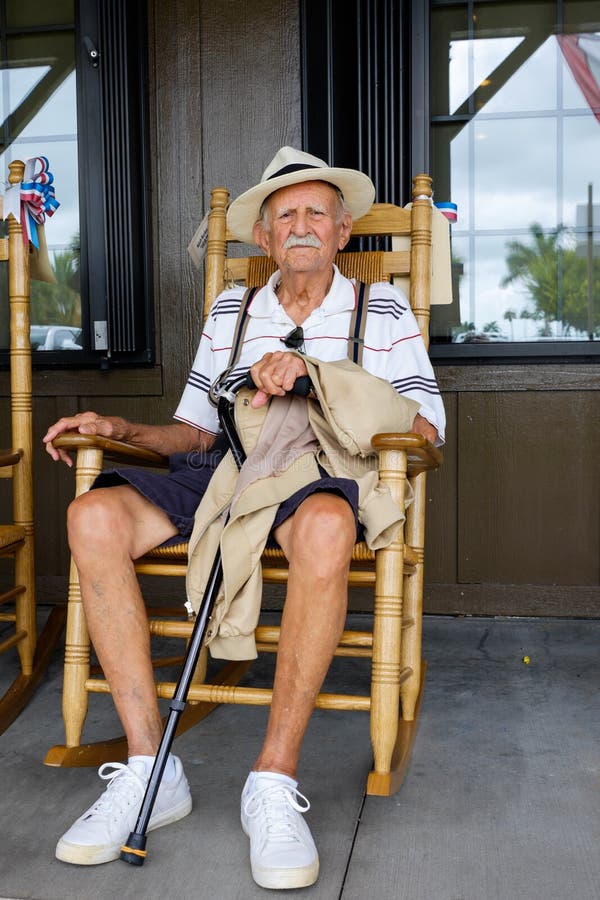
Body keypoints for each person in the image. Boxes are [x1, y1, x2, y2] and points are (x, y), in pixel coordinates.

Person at [44, 146, 445, 890]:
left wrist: (318, 379)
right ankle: (149, 767)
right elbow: (194, 433)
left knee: (326, 527)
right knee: (92, 515)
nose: (301, 226)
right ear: (263, 238)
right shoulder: (233, 310)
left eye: (317, 212)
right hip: (224, 471)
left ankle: (272, 780)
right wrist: (120, 429)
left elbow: (427, 430)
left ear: (343, 231)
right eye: (285, 215)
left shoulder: (382, 310)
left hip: (319, 475)